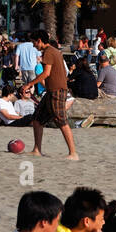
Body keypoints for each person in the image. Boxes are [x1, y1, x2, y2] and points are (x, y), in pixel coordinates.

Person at [31, 31, 78, 161]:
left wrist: (30, 84)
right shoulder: (54, 51)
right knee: (37, 119)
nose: (34, 45)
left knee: (61, 120)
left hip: (57, 91)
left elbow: (46, 73)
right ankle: (37, 150)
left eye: (34, 42)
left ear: (39, 40)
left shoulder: (49, 52)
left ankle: (73, 153)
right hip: (52, 91)